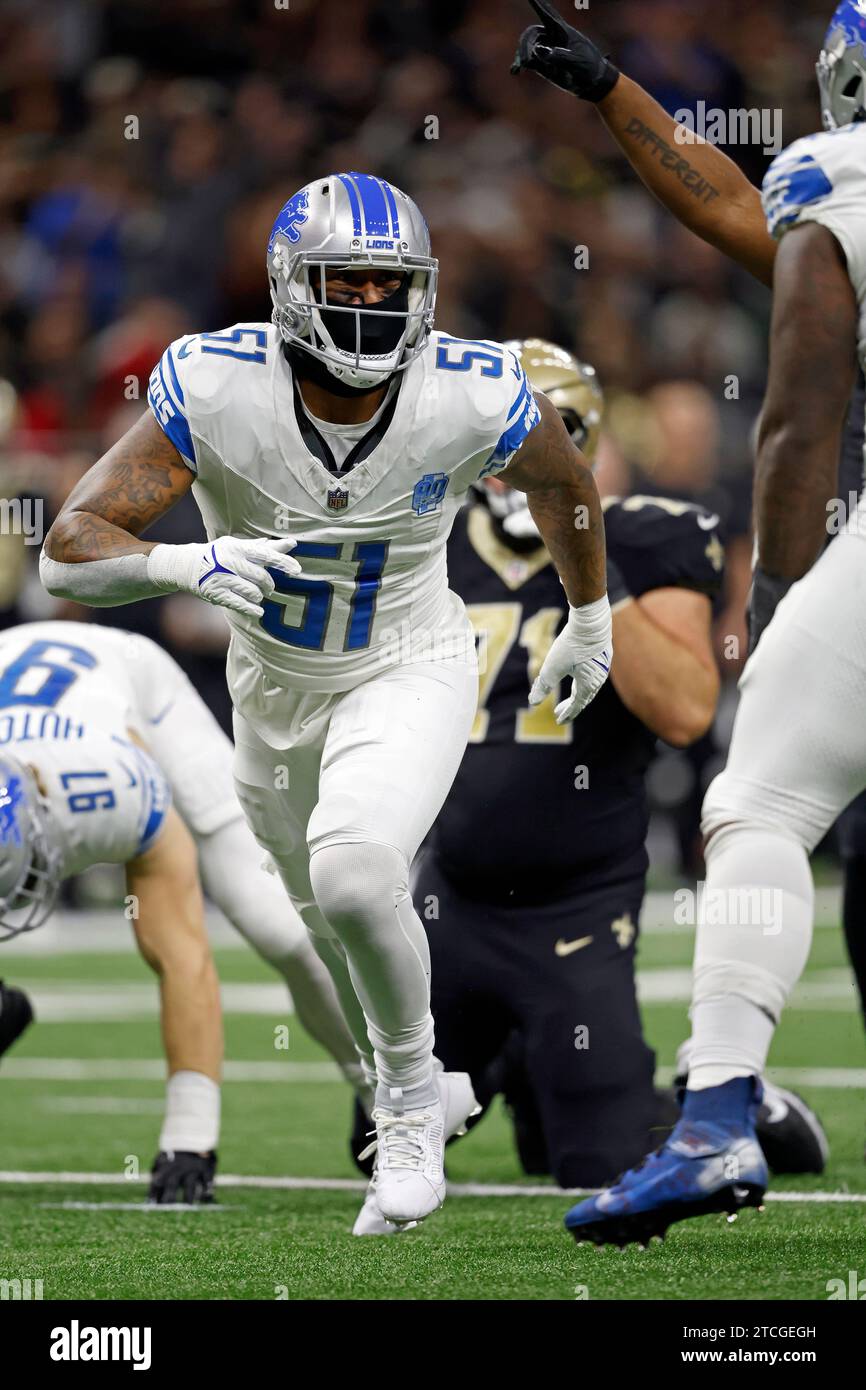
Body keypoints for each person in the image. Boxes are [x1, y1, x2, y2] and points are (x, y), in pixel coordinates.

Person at [38, 172, 612, 1228]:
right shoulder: (218, 383)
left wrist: (590, 616)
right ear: (289, 286)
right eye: (347, 281)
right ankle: (422, 1088)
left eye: (392, 284)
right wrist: (184, 564)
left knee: (354, 874)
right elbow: (67, 547)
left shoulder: (468, 387)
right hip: (270, 691)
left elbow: (563, 481)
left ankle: (408, 1102)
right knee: (324, 926)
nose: (372, 303)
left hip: (409, 661)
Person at [554, 6, 866, 1244]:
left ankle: (715, 1116)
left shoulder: (835, 175)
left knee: (760, 803)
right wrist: (617, 93)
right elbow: (742, 213)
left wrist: (778, 594)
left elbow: (794, 419)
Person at [0, 620, 370, 1202]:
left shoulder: (108, 795)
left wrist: (189, 1138)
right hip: (40, 700)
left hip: (134, 682)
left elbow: (182, 955)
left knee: (275, 923)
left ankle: (380, 1093)